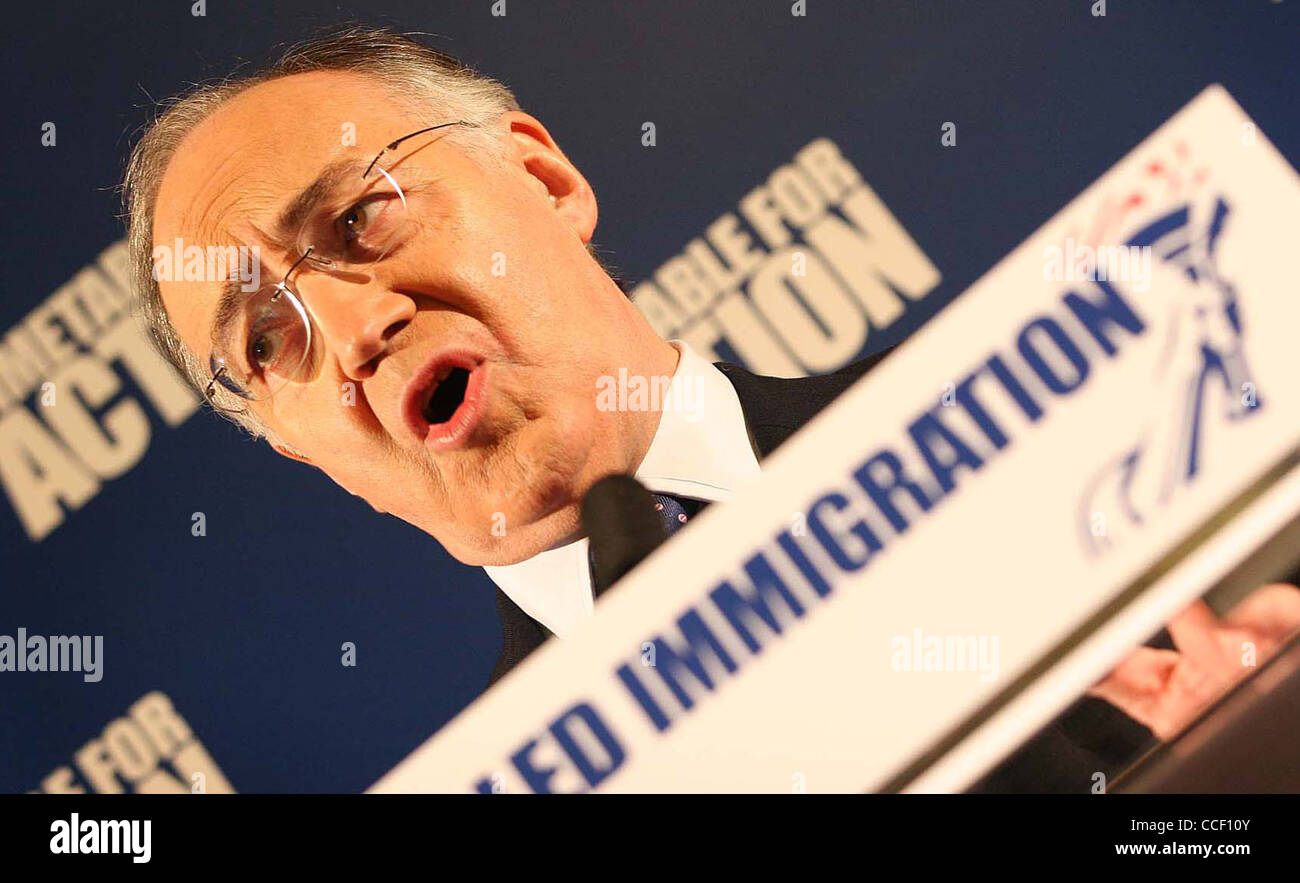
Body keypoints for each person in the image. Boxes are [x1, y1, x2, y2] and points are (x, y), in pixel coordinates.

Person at [123, 26, 1300, 789]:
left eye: (359, 217)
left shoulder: (1127, 396)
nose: (354, 328)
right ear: (297, 447)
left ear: (543, 177)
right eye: (263, 339)